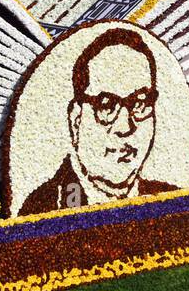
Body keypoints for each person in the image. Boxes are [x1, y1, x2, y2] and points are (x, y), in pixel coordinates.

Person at [19, 27, 177, 215]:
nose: (125, 127)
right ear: (76, 120)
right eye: (107, 106)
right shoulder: (44, 209)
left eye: (140, 103)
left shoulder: (171, 203)